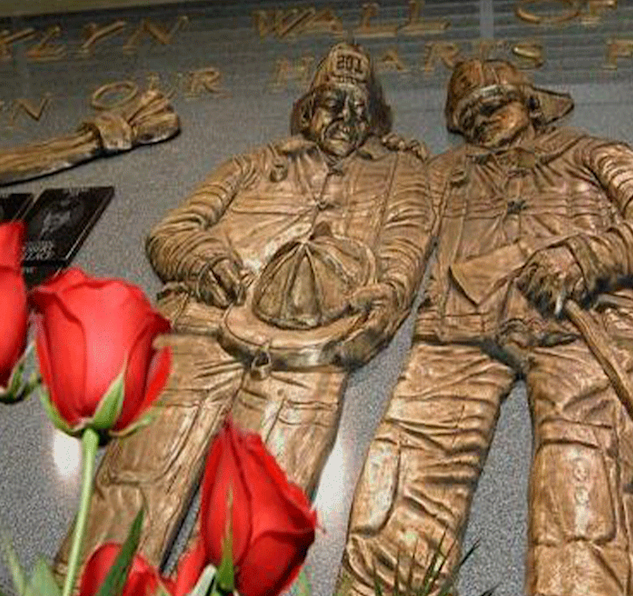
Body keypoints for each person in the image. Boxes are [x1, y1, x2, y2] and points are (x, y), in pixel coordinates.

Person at [336, 59, 633, 596]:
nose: (483, 117)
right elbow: (398, 233)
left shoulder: (595, 153)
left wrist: (586, 256)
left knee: (586, 478)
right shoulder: (441, 175)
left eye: (496, 102)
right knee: (406, 476)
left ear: (531, 103)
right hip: (458, 325)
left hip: (581, 323)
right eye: (469, 112)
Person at [59, 42, 432, 567]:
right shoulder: (255, 163)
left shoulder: (402, 175)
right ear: (308, 111)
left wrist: (379, 307)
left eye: (359, 108)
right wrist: (206, 263)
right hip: (203, 327)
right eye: (333, 103)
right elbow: (170, 232)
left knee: (253, 520)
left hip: (310, 353)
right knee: (135, 481)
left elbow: (403, 253)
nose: (346, 118)